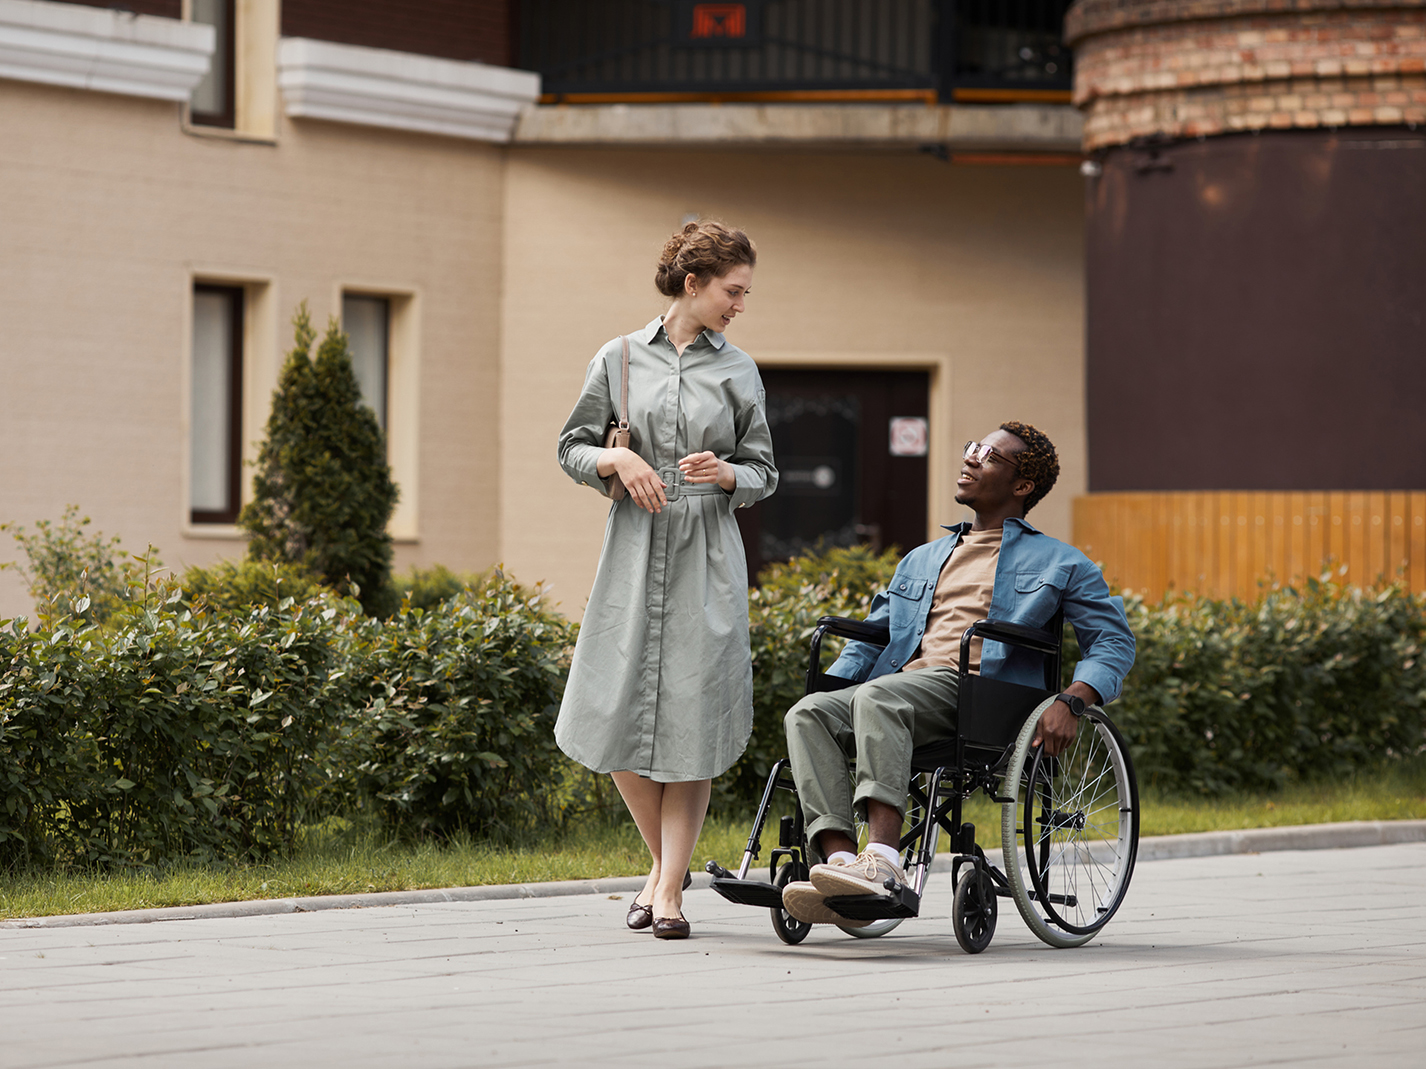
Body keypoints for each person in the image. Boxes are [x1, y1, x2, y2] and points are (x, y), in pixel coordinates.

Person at [779, 422, 1135, 926]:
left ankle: (883, 864)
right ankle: (840, 867)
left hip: (983, 694)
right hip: (905, 687)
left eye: (989, 456)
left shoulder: (1061, 561)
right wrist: (834, 686)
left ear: (1022, 485)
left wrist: (1073, 700)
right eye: (973, 448)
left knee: (878, 698)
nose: (970, 459)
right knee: (809, 712)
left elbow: (1113, 641)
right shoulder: (922, 558)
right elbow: (871, 638)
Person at [555, 221, 778, 940]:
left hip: (707, 550)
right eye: (732, 290)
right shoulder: (617, 359)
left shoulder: (739, 370)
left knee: (694, 717)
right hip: (632, 547)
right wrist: (617, 464)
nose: (740, 304)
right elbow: (571, 447)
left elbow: (765, 472)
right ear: (694, 283)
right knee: (613, 706)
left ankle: (669, 894)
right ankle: (665, 869)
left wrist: (728, 474)